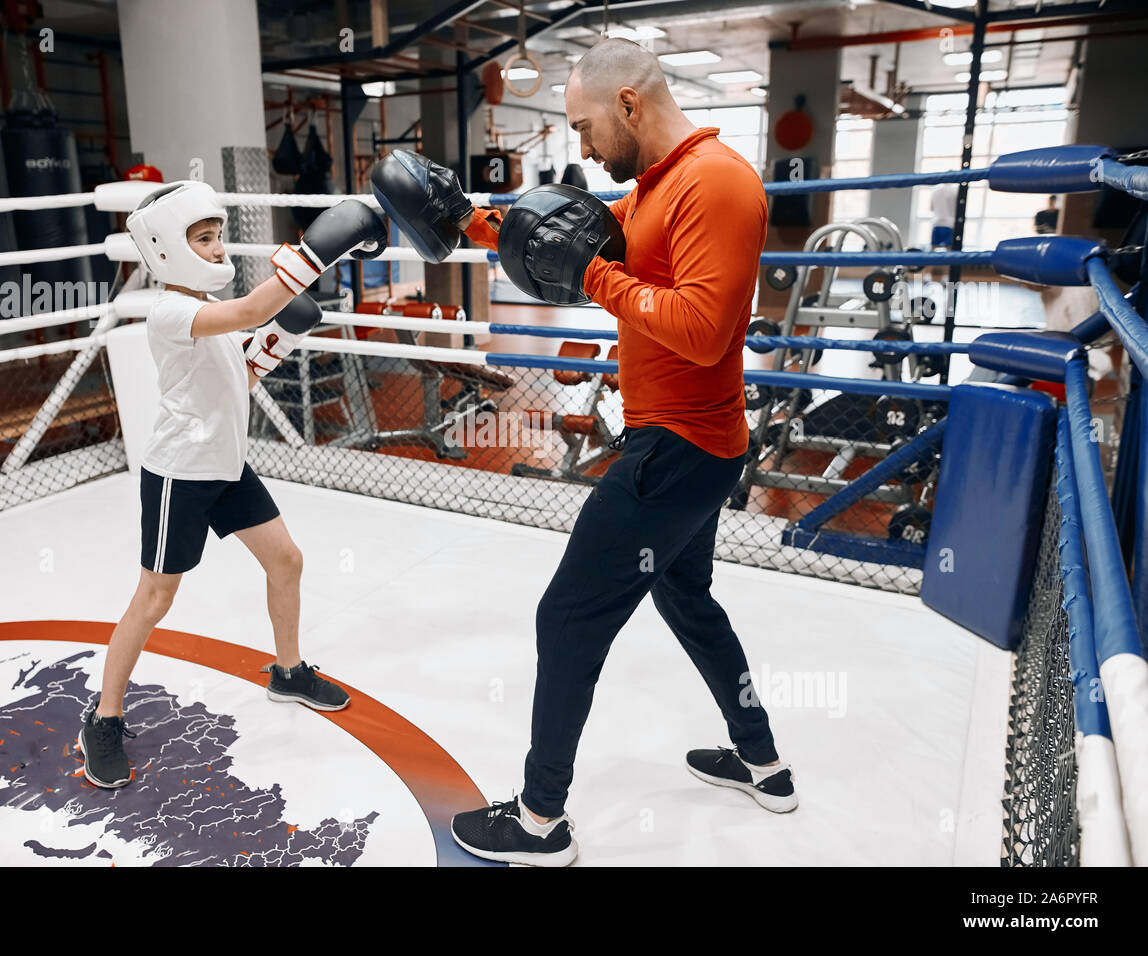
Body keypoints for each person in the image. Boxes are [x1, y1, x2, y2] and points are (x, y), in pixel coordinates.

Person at [373, 37, 794, 867]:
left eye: (586, 127)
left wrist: (597, 280)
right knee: (688, 600)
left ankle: (539, 822)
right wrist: (471, 221)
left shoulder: (717, 184)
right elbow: (584, 248)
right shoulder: (657, 185)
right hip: (689, 445)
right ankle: (762, 760)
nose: (584, 148)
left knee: (566, 618)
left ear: (630, 105)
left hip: (679, 449)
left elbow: (704, 333)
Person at [77, 181, 386, 789]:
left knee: (287, 561)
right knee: (155, 600)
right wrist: (325, 244)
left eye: (218, 236)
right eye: (203, 238)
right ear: (167, 249)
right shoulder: (169, 312)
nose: (218, 249)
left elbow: (236, 377)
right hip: (181, 476)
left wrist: (273, 347)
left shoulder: (208, 317)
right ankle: (103, 718)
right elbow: (247, 311)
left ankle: (288, 672)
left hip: (226, 467)